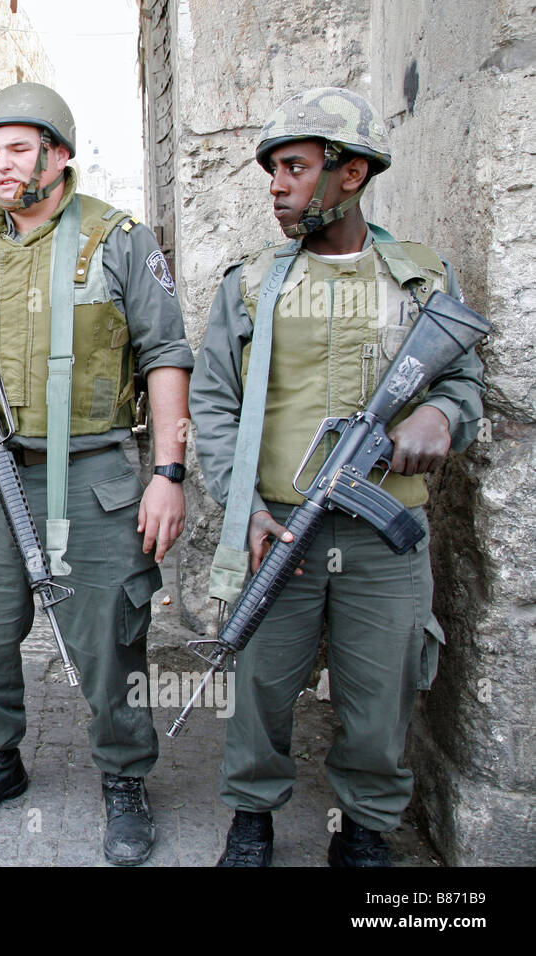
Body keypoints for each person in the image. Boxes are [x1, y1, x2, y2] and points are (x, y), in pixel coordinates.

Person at [189, 87, 485, 867]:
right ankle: (251, 818)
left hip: (386, 531)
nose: (277, 186)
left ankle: (365, 830)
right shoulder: (249, 284)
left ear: (349, 174)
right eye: (272, 172)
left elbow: (464, 382)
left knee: (381, 692)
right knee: (259, 682)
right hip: (279, 526)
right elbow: (212, 404)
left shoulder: (421, 279)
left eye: (294, 167)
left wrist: (441, 418)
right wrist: (240, 504)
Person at [0, 82, 193, 864]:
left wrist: (168, 470)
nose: (1, 165)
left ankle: (124, 775)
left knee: (110, 635)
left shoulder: (119, 238)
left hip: (95, 469)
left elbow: (167, 354)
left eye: (16, 148)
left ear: (58, 154)